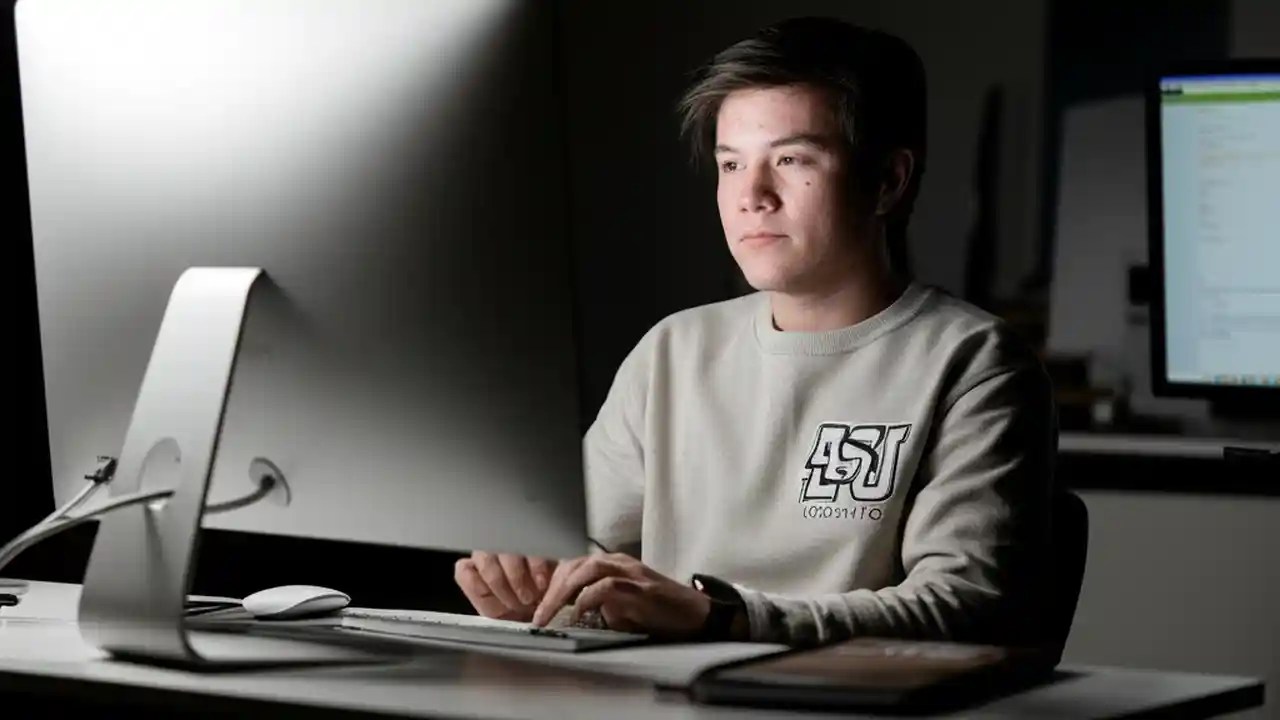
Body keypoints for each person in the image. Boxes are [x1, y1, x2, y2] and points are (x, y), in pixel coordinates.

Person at [454, 17, 1055, 647]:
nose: (753, 195)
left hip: (846, 694)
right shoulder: (673, 351)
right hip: (658, 690)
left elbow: (964, 604)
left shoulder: (975, 362)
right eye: (732, 164)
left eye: (792, 159)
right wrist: (533, 581)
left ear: (888, 181)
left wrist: (724, 617)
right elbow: (581, 550)